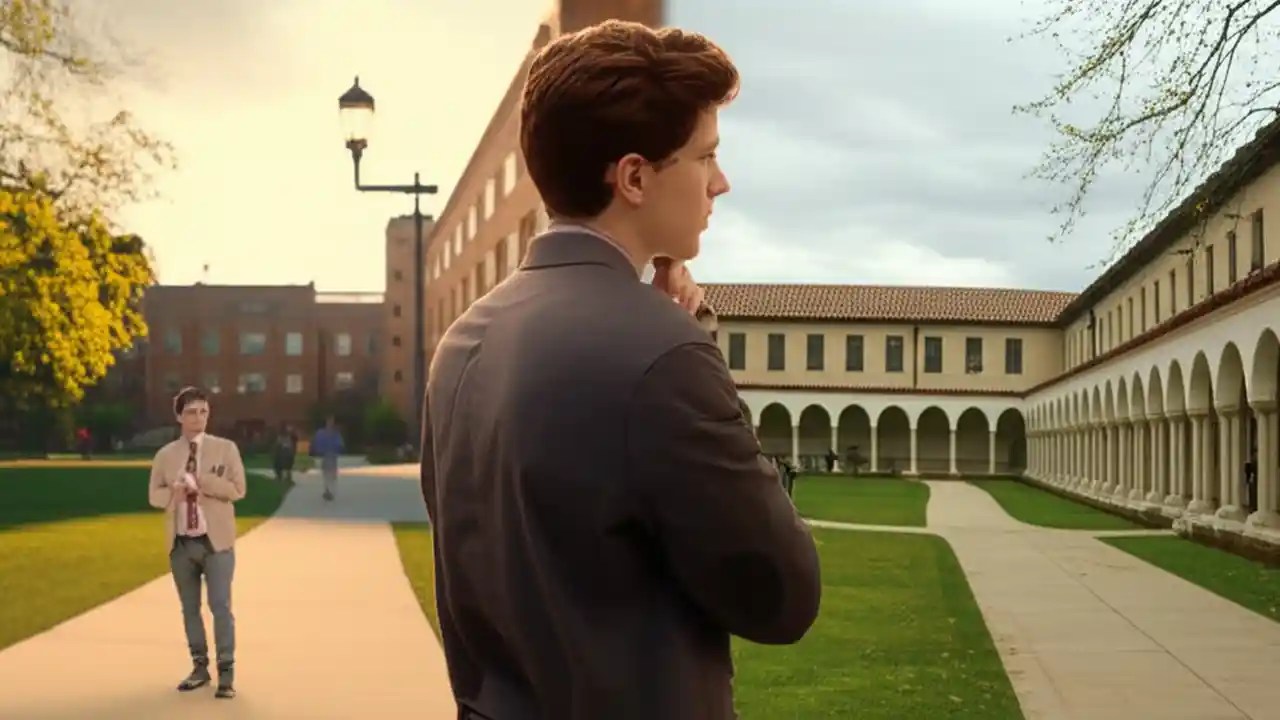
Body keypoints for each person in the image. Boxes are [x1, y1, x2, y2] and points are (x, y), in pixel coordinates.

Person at [420, 20, 821, 720]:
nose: (720, 183)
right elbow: (780, 595)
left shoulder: (461, 342)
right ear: (634, 176)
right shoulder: (664, 354)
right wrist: (683, 341)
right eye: (705, 157)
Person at [146, 386, 246, 700]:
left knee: (221, 607)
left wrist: (204, 481)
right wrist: (174, 493)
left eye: (204, 411)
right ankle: (199, 668)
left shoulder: (226, 449)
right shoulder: (165, 456)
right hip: (182, 544)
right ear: (179, 416)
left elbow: (238, 490)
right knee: (190, 609)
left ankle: (226, 674)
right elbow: (154, 496)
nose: (199, 418)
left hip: (216, 544)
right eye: (191, 412)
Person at [311, 416, 344, 501]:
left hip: (332, 457)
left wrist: (339, 449)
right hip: (325, 456)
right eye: (329, 422)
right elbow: (316, 442)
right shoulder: (321, 433)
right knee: (326, 474)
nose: (330, 424)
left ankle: (330, 491)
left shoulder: (336, 433)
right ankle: (327, 490)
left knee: (332, 475)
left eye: (332, 422)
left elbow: (340, 444)